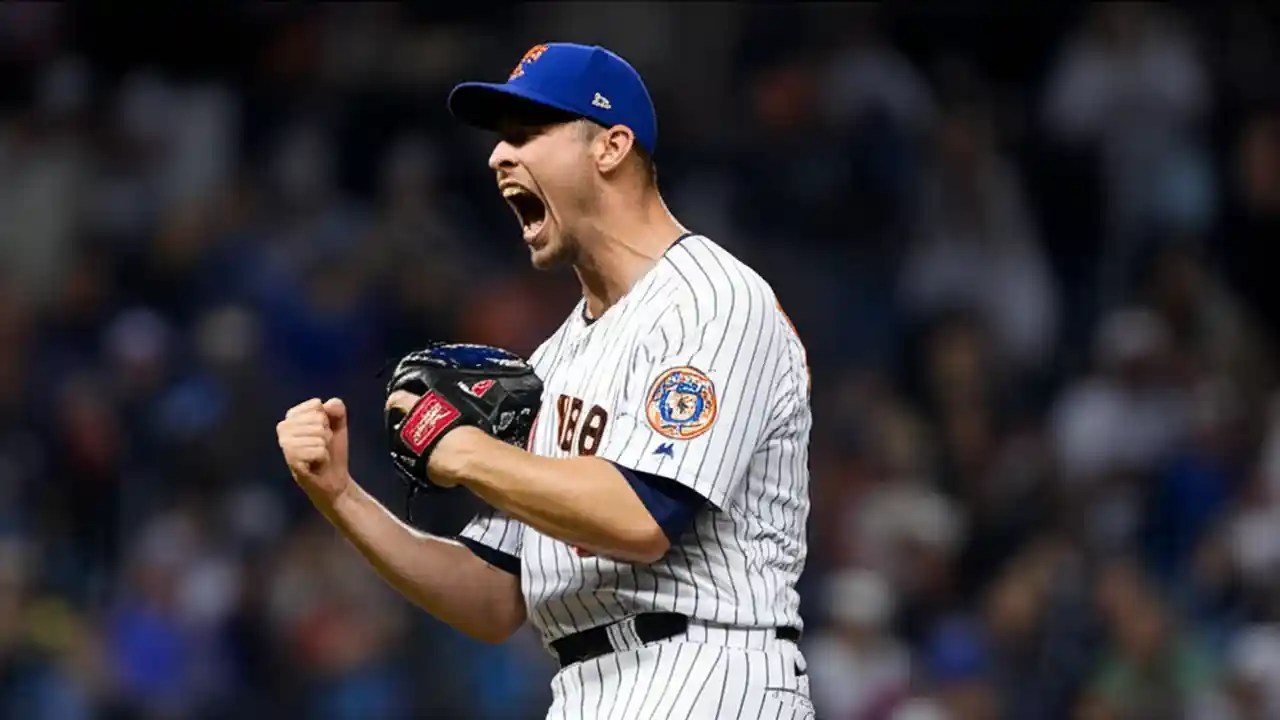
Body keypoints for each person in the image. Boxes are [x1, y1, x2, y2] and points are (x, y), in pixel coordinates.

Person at [275, 42, 814, 718]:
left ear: (611, 147)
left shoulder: (712, 299)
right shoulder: (556, 359)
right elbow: (493, 597)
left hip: (709, 671)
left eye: (529, 132)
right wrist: (342, 498)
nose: (500, 155)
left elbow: (642, 516)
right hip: (584, 689)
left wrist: (463, 450)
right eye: (502, 138)